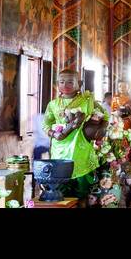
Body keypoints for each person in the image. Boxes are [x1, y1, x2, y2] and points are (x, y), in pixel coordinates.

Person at [42, 69, 108, 201]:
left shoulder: (87, 101)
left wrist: (100, 129)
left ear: (80, 83)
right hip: (60, 149)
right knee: (61, 192)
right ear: (57, 84)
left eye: (70, 82)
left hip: (81, 148)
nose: (65, 85)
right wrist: (53, 134)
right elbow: (46, 125)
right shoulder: (53, 104)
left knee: (82, 191)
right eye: (61, 82)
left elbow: (105, 116)